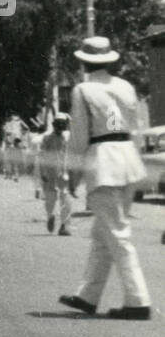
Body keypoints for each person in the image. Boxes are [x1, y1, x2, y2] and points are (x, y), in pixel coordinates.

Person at [58, 36, 152, 320]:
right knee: (104, 234)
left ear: (84, 62)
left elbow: (79, 137)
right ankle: (88, 296)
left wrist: (72, 172)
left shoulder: (83, 90)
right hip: (127, 162)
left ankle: (138, 301)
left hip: (104, 162)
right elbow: (136, 129)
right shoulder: (125, 86)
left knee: (118, 235)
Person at [39, 113, 74, 236]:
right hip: (50, 172)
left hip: (64, 172)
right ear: (54, 125)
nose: (60, 127)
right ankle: (51, 216)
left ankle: (63, 225)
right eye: (58, 124)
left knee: (65, 199)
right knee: (50, 198)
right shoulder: (47, 138)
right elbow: (42, 156)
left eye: (62, 124)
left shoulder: (67, 138)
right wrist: (43, 172)